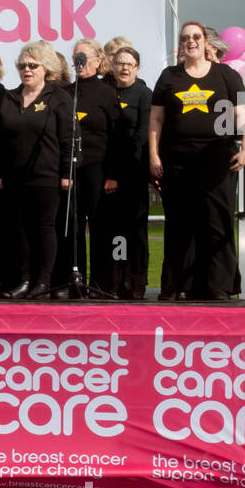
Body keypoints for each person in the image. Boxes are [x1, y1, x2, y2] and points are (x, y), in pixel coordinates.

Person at [150, 20, 245, 300]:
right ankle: (176, 285)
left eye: (196, 37)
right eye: (185, 38)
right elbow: (156, 119)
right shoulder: (168, 77)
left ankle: (218, 286)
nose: (190, 41)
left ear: (206, 42)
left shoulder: (228, 75)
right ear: (181, 44)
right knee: (179, 224)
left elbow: (241, 115)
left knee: (216, 222)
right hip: (176, 161)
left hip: (217, 159)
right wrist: (153, 154)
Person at [0, 41, 72, 299]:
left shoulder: (58, 98)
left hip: (47, 175)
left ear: (45, 67)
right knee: (21, 229)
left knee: (45, 228)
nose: (27, 70)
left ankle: (43, 283)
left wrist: (67, 173)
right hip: (16, 176)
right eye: (22, 65)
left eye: (32, 65)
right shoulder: (10, 98)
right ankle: (24, 280)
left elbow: (69, 138)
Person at [54, 38, 120, 297]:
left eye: (84, 56)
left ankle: (101, 282)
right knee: (72, 225)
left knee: (100, 226)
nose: (79, 62)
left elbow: (116, 137)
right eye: (76, 57)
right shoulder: (67, 94)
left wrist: (112, 174)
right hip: (73, 171)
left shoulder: (106, 92)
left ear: (97, 60)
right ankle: (75, 279)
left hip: (97, 169)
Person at [103, 44, 153, 299]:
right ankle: (115, 279)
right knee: (114, 233)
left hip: (132, 175)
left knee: (135, 232)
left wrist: (119, 175)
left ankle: (136, 281)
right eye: (119, 63)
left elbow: (141, 136)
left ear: (137, 68)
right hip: (107, 177)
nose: (124, 68)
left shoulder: (144, 94)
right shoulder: (107, 94)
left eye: (129, 64)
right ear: (112, 66)